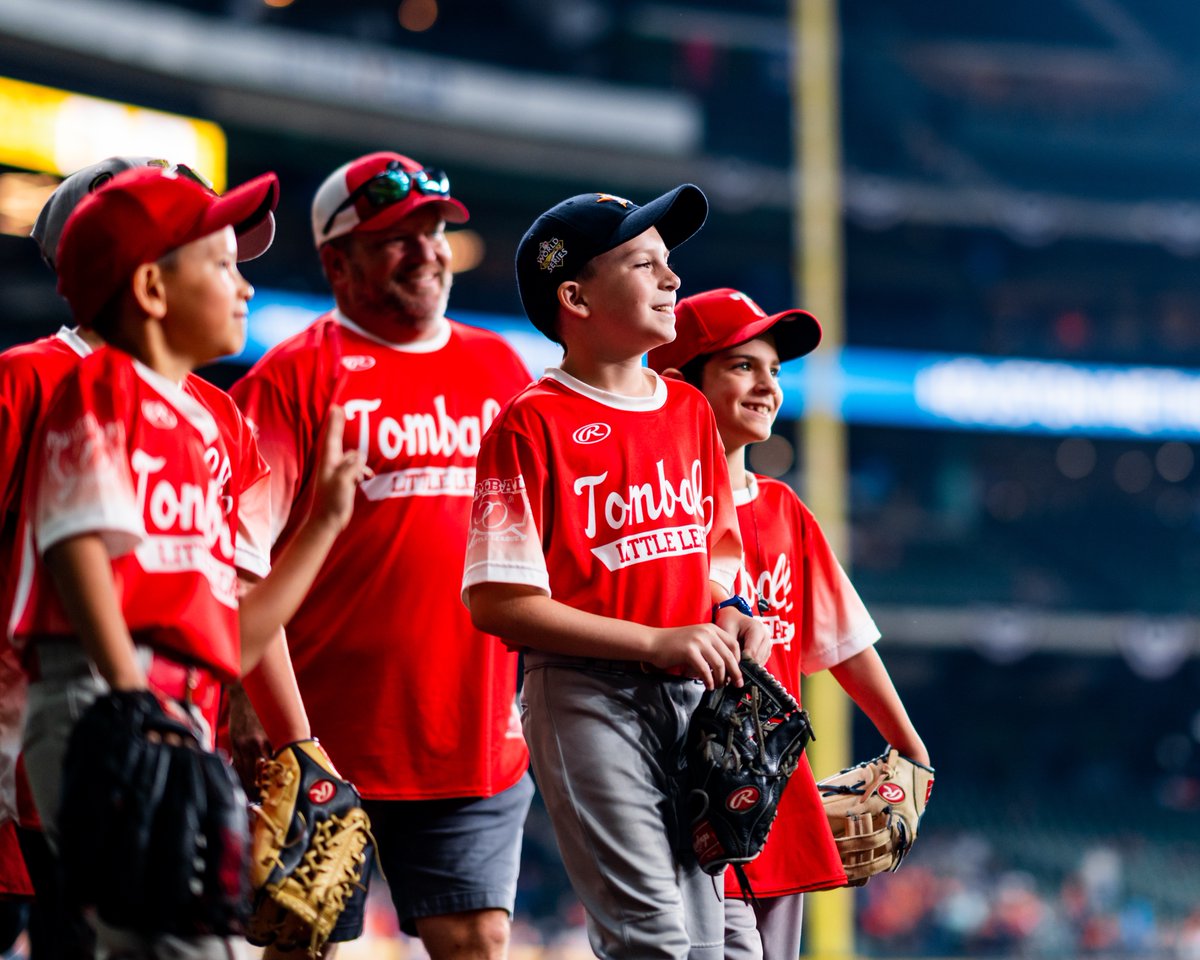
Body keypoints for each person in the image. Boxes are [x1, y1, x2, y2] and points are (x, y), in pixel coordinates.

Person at [7, 165, 367, 959]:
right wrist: (134, 703)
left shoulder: (211, 417)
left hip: (171, 721)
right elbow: (75, 551)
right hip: (91, 713)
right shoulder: (81, 384)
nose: (244, 284)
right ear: (150, 287)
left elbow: (228, 632)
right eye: (220, 262)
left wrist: (324, 527)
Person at [229, 151, 534, 960]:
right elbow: (240, 567)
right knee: (301, 945)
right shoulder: (290, 378)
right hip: (326, 747)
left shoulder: (501, 368)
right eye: (399, 237)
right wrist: (278, 726)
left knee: (477, 942)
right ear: (338, 260)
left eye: (434, 230)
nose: (429, 250)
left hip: (473, 739)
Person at [462, 187, 771, 960]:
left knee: (714, 947)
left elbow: (719, 546)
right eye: (643, 263)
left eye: (670, 264)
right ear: (575, 296)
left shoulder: (688, 411)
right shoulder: (530, 421)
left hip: (688, 695)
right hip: (582, 692)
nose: (672, 280)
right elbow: (498, 602)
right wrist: (655, 641)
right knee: (651, 941)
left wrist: (733, 605)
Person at [647, 287, 931, 960]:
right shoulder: (656, 505)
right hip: (686, 785)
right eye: (743, 366)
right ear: (680, 380)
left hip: (772, 785)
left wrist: (909, 746)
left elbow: (843, 642)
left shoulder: (784, 509)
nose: (766, 385)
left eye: (774, 371)